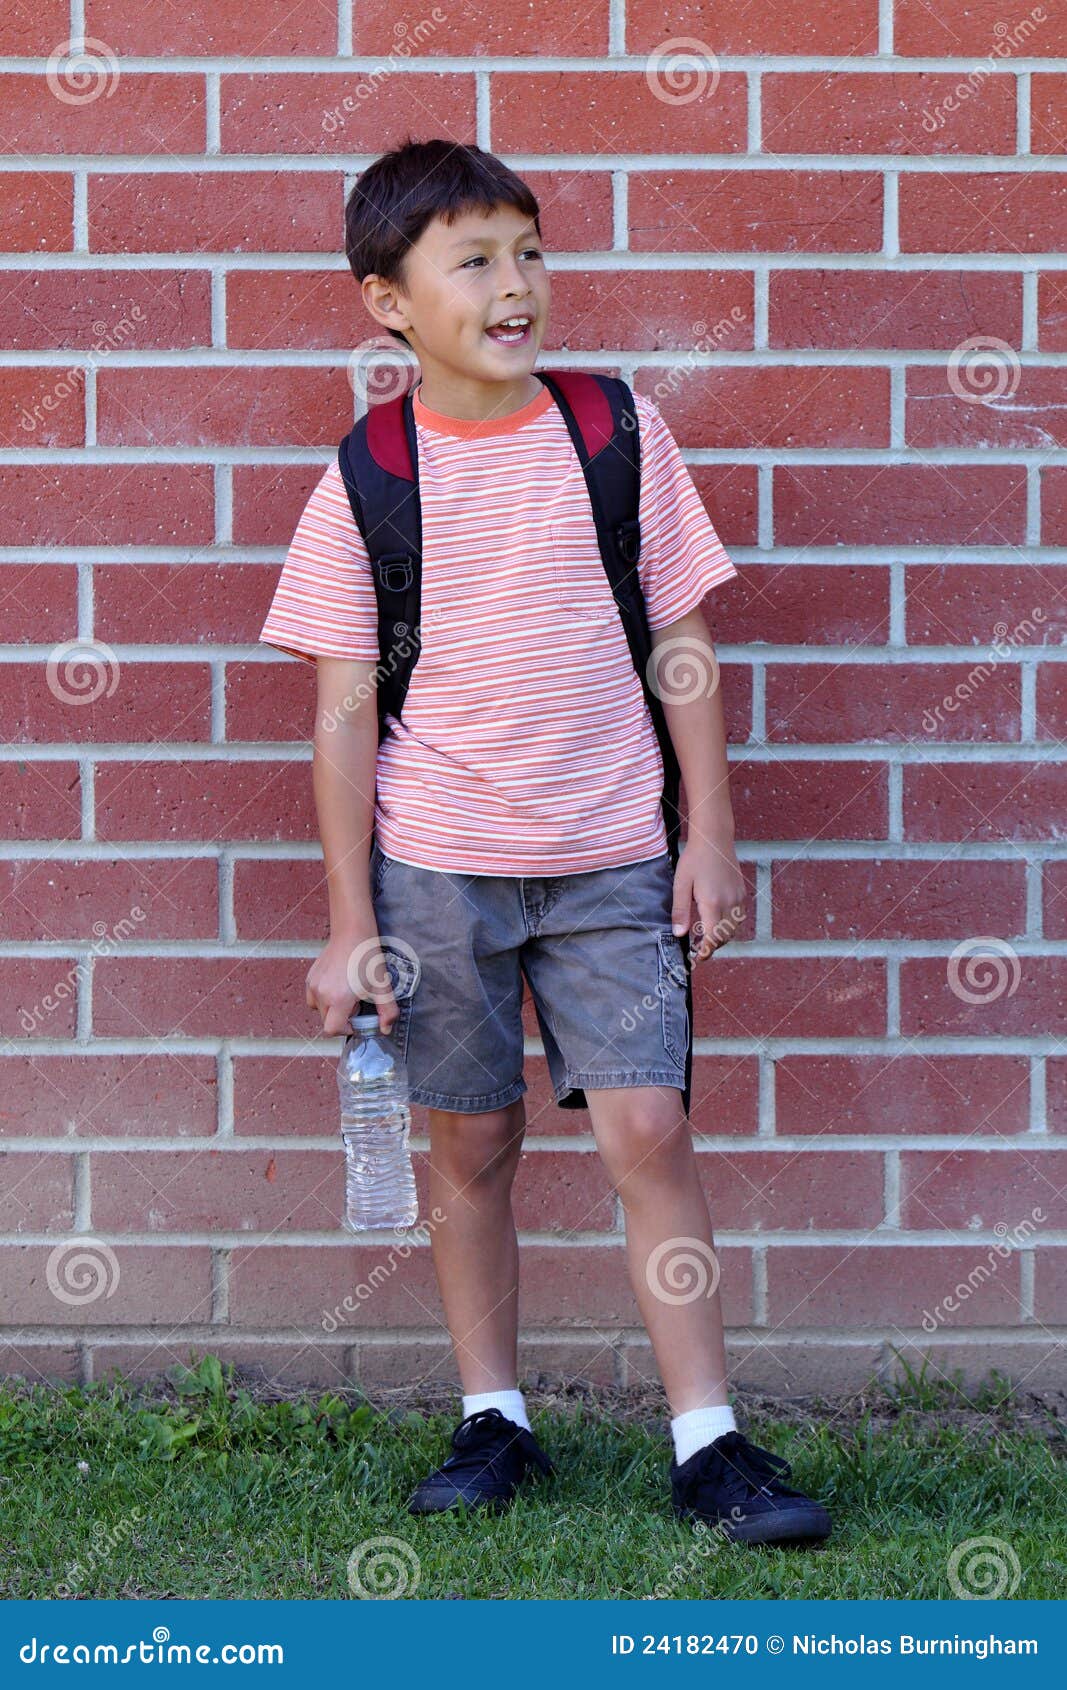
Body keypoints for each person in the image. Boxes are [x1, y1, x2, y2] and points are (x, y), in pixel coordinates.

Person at [259, 136, 831, 1548]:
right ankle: (495, 1417)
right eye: (475, 262)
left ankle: (708, 1437)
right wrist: (350, 921)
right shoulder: (366, 476)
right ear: (387, 302)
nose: (516, 286)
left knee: (649, 1123)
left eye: (530, 251)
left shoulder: (615, 434)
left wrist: (714, 833)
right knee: (471, 1141)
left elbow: (683, 643)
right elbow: (343, 719)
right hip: (437, 863)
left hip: (612, 854)